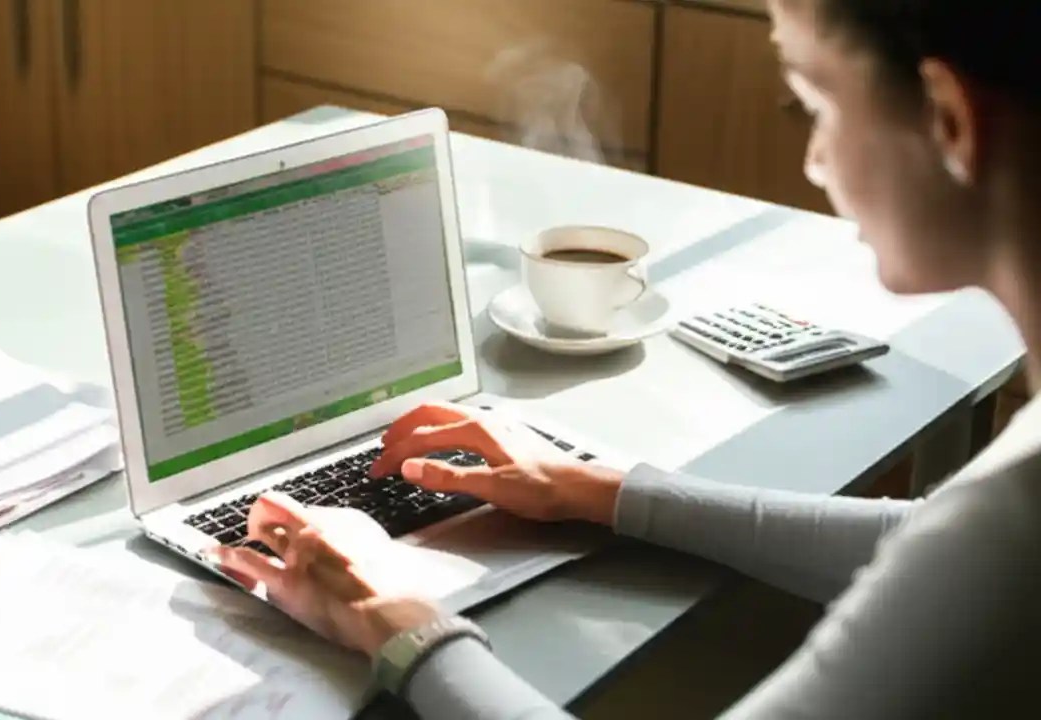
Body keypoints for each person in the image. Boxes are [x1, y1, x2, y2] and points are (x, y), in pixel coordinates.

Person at [216, 0, 1041, 716]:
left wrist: (392, 619)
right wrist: (605, 491)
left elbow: (963, 553)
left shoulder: (1009, 525)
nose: (813, 160)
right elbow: (922, 539)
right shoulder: (1002, 512)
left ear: (949, 120)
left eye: (812, 106)